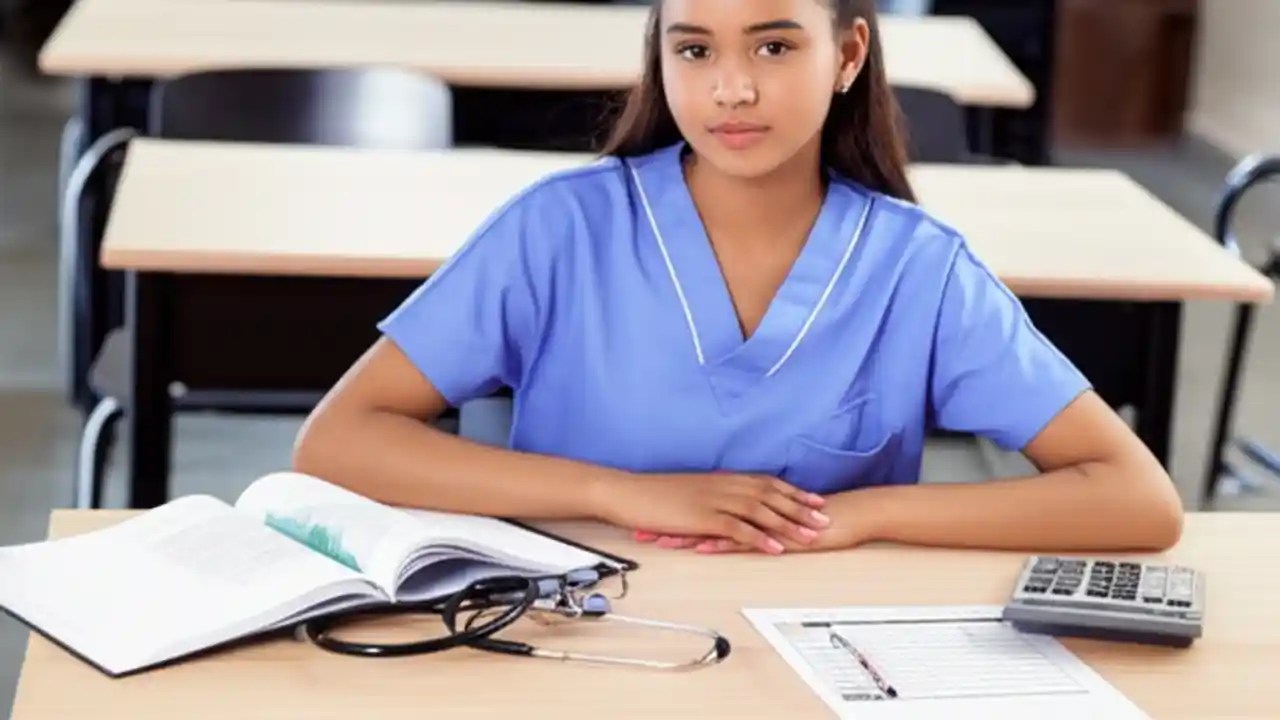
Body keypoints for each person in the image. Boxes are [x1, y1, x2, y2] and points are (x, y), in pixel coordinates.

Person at [293, 0, 1183, 556]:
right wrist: (616, 492)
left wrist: (865, 516)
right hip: (573, 632)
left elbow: (1138, 499)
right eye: (694, 52)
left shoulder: (919, 269)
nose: (731, 91)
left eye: (772, 48)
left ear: (847, 56)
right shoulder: (559, 228)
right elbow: (337, 442)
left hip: (815, 642)